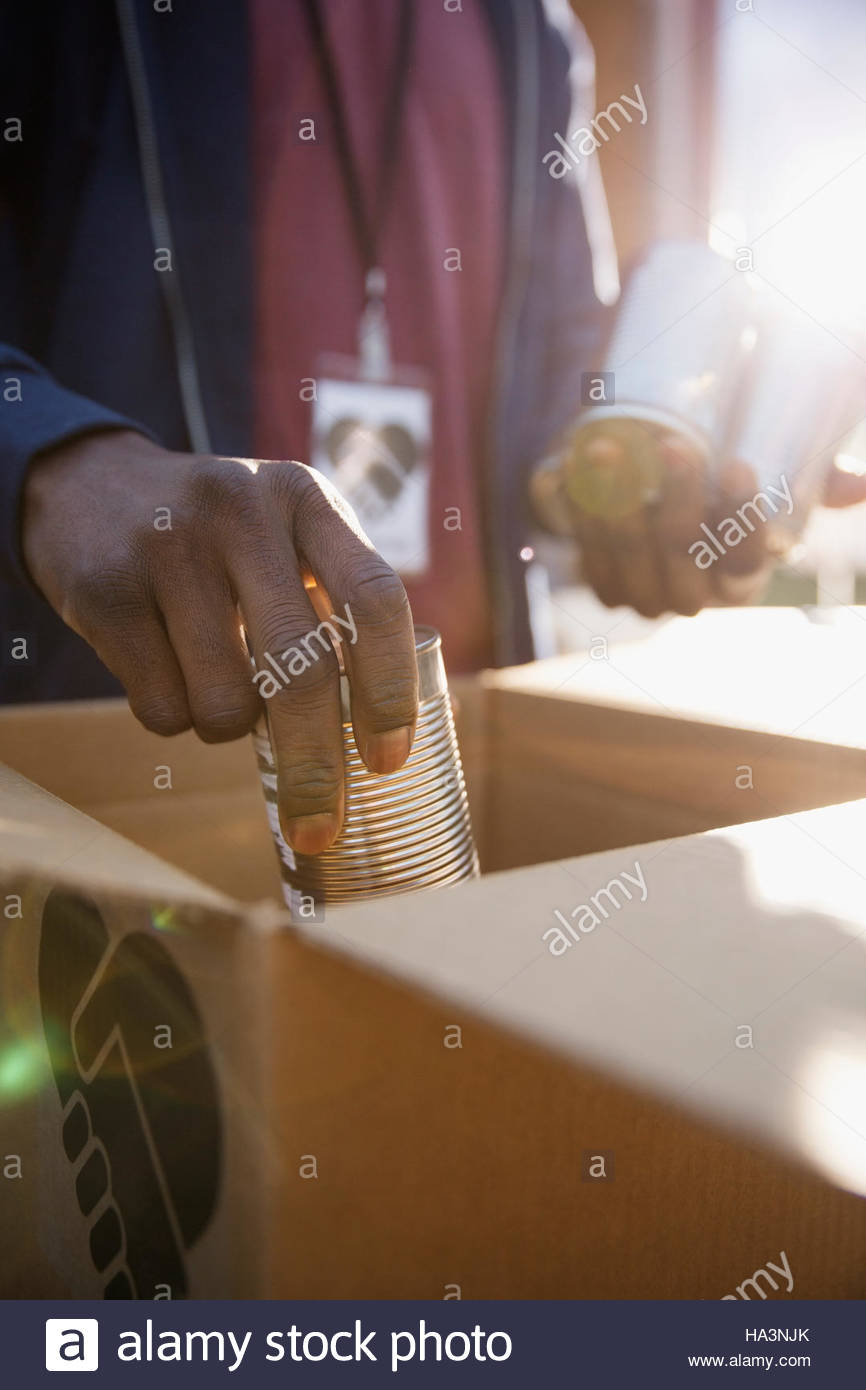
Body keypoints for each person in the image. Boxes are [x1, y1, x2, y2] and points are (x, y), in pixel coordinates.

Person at [1, 1, 860, 854]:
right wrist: (50, 462)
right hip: (125, 789)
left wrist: (640, 483)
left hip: (462, 776)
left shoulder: (531, 31)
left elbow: (552, 391)